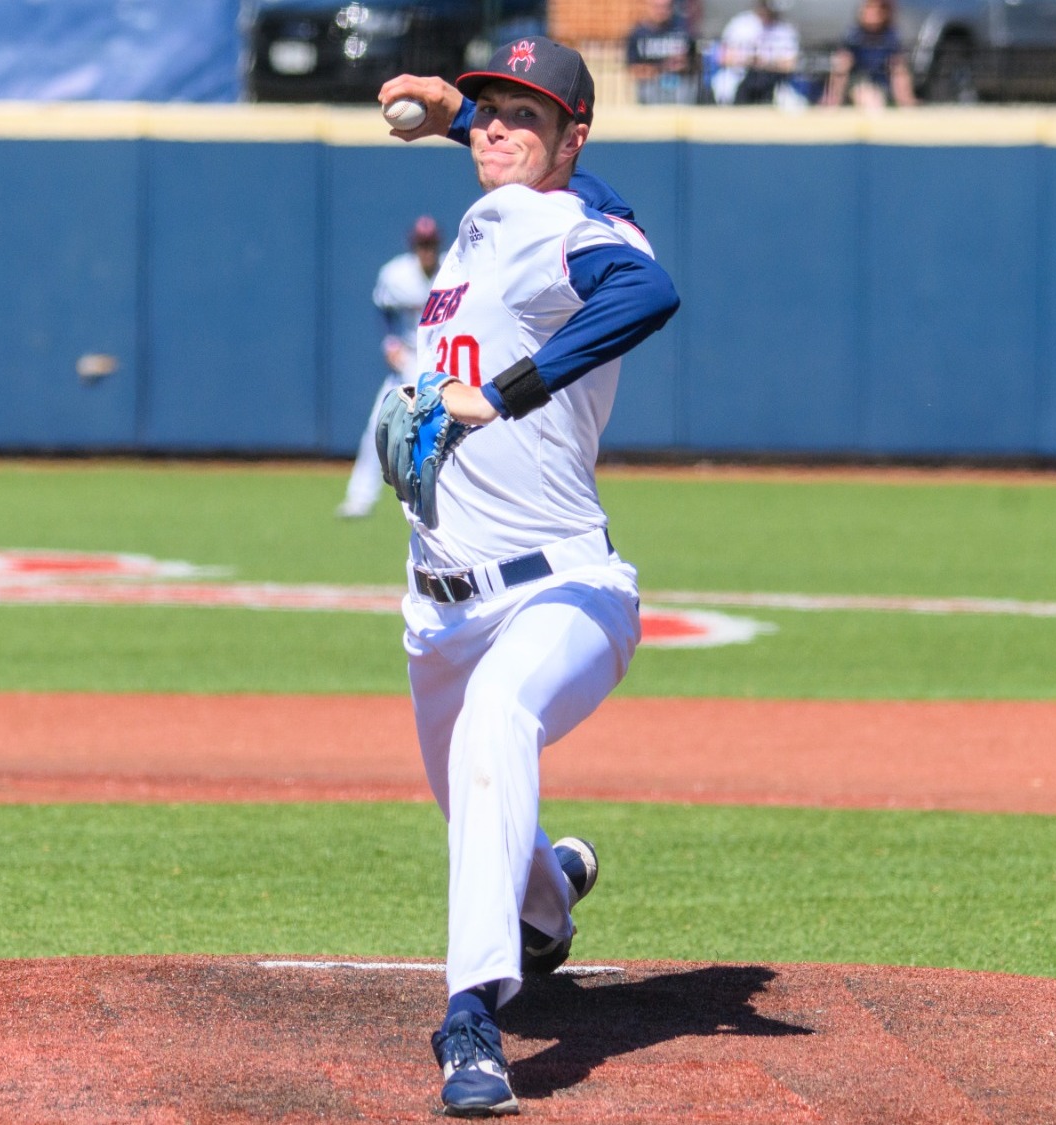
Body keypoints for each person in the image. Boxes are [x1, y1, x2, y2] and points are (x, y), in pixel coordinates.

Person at [375, 38, 680, 1118]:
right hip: (437, 610)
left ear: (575, 140)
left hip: (564, 590)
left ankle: (470, 1019)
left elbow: (646, 292)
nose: (499, 128)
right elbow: (510, 143)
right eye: (492, 112)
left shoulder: (568, 226)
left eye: (526, 115)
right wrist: (457, 106)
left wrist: (504, 391)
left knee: (497, 725)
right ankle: (547, 906)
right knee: (481, 819)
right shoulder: (482, 222)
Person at [339, 217, 444, 518]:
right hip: (409, 358)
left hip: (439, 360)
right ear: (413, 246)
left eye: (431, 244)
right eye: (421, 244)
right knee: (378, 424)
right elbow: (383, 309)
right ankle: (360, 497)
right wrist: (390, 343)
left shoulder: (453, 269)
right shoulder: (397, 274)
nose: (426, 250)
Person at [823, 0, 917, 109]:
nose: (871, 14)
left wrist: (905, 97)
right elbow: (842, 66)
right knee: (844, 66)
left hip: (882, 84)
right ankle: (832, 103)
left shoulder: (891, 36)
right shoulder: (853, 36)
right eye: (868, 9)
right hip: (857, 84)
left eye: (876, 10)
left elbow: (898, 68)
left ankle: (906, 105)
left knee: (899, 69)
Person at [711, 0, 800, 106]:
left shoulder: (785, 29)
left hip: (772, 83)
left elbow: (790, 64)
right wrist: (748, 60)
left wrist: (766, 63)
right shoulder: (740, 24)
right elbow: (722, 57)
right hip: (737, 79)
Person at [625, 0, 698, 106]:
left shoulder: (682, 30)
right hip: (651, 90)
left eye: (665, 7)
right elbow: (632, 69)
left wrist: (683, 64)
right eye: (657, 7)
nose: (661, 11)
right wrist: (661, 68)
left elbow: (695, 63)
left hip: (680, 89)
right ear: (648, 7)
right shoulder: (638, 34)